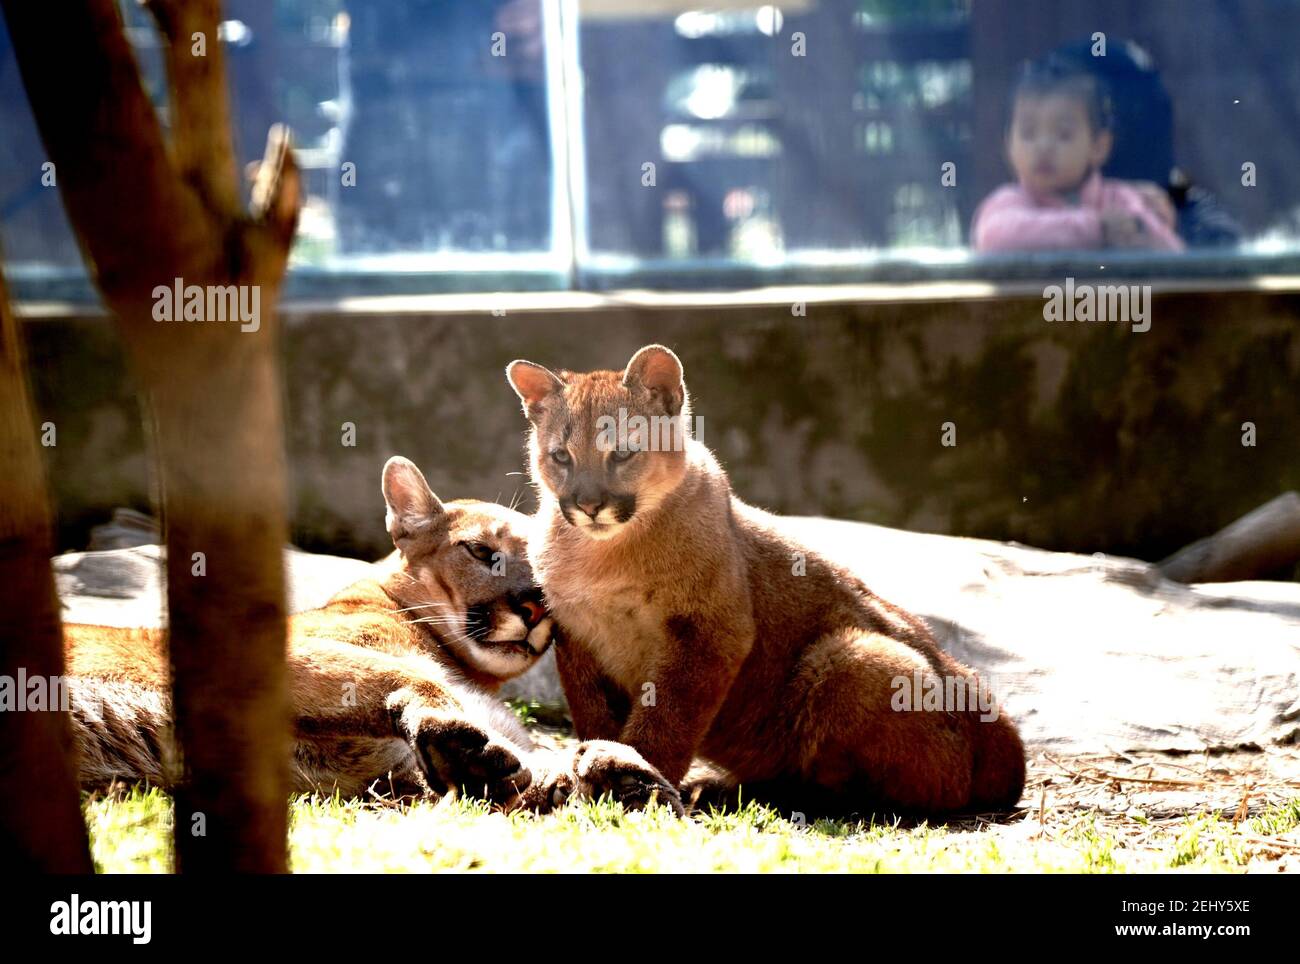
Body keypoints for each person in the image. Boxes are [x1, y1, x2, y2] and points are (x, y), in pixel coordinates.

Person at [971, 55, 1184, 253]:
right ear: (1009, 145)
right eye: (1028, 134)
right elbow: (995, 237)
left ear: (1098, 147)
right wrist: (1096, 229)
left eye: (1063, 135)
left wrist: (1149, 225)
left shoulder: (1120, 198)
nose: (1043, 147)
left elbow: (1172, 254)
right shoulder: (1007, 203)